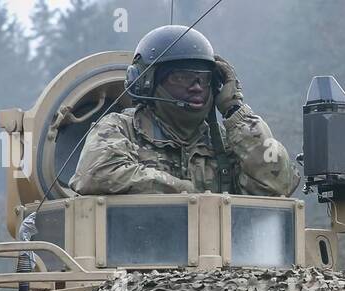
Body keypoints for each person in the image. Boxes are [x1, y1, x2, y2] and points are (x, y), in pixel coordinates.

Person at [69, 25, 298, 197]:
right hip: (136, 255)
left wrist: (235, 110)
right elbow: (96, 174)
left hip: (220, 258)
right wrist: (184, 191)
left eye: (204, 79)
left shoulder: (229, 141)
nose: (196, 87)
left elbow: (277, 185)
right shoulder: (121, 128)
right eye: (182, 77)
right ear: (148, 83)